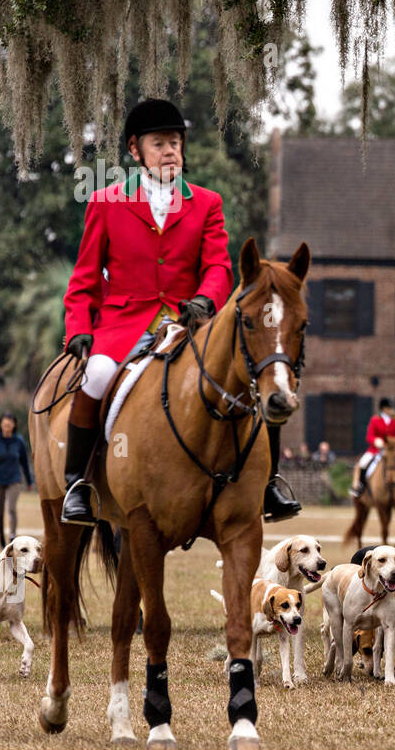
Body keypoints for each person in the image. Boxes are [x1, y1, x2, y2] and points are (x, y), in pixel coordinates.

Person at [59, 98, 300, 524]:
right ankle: (77, 482)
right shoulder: (106, 201)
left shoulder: (207, 202)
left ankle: (268, 483)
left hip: (189, 322)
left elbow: (218, 265)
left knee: (254, 372)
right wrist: (78, 327)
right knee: (96, 375)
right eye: (159, 143)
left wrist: (207, 299)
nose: (170, 150)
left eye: (175, 142)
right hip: (123, 324)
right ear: (135, 150)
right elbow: (84, 279)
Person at [0, 412, 33, 548]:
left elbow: (24, 462)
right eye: (5, 424)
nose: (7, 426)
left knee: (12, 509)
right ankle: (1, 539)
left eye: (10, 424)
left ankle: (12, 537)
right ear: (0, 425)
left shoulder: (19, 441)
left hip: (14, 480)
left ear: (14, 425)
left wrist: (29, 480)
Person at [350, 398, 395, 500]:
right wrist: (376, 441)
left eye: (391, 408)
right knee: (363, 463)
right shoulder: (375, 420)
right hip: (376, 450)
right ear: (383, 409)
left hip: (392, 451)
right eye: (388, 408)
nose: (390, 410)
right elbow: (369, 436)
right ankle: (360, 486)